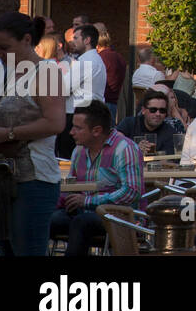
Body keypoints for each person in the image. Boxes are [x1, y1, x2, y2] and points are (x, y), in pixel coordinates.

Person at [0, 12, 66, 256]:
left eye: (4, 47)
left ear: (26, 39)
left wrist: (6, 134)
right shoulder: (8, 73)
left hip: (34, 179)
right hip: (3, 179)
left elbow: (55, 123)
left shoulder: (47, 72)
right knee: (6, 248)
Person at [49, 102, 144, 255]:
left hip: (121, 218)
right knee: (47, 220)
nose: (71, 132)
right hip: (83, 214)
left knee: (81, 223)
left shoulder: (124, 148)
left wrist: (87, 202)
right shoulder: (79, 150)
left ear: (96, 131)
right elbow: (73, 188)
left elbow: (131, 192)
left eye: (77, 128)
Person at [117, 88, 186, 155]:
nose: (158, 114)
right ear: (143, 110)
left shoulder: (169, 132)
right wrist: (134, 148)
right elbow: (115, 143)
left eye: (162, 111)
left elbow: (169, 161)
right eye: (153, 110)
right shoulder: (129, 124)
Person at [69, 24, 106, 109]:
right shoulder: (95, 59)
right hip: (91, 110)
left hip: (84, 112)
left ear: (87, 40)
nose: (72, 42)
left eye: (75, 38)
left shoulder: (86, 61)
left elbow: (64, 88)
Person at [95, 26, 126, 116]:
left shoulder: (101, 58)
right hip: (114, 100)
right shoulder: (119, 57)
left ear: (97, 46)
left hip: (102, 101)